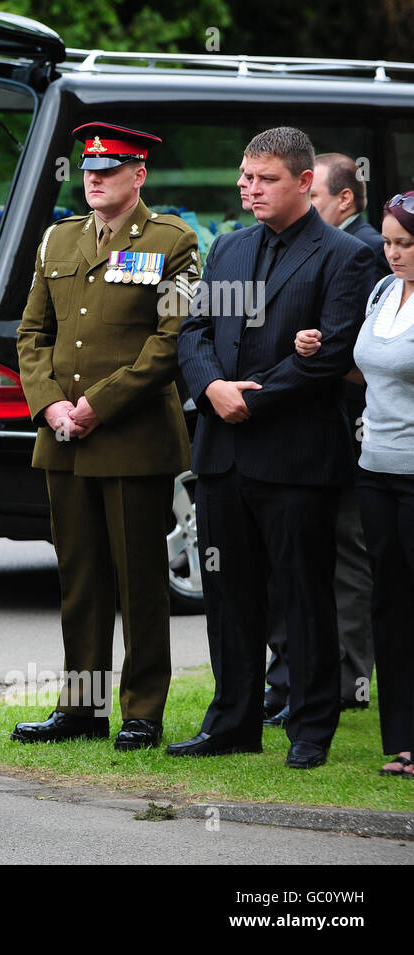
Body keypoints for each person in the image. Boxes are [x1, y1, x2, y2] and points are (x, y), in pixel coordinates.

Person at [174, 126, 375, 769]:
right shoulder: (228, 248)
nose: (248, 187)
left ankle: (311, 729)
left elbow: (334, 355)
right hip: (221, 454)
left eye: (264, 179)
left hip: (295, 460)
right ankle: (231, 721)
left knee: (303, 597)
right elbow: (196, 331)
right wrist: (211, 389)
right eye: (245, 176)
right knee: (227, 593)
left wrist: (249, 398)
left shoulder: (344, 255)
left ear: (304, 183)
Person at [12, 122, 197, 750]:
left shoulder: (171, 240)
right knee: (80, 578)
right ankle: (81, 708)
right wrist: (52, 406)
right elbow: (31, 334)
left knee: (139, 581)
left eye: (110, 169)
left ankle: (143, 709)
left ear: (137, 174)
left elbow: (170, 341)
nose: (94, 178)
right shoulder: (58, 240)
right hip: (64, 435)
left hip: (132, 437)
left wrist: (97, 404)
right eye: (89, 169)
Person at [294, 190, 414, 779]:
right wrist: (319, 348)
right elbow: (367, 367)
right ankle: (404, 742)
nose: (391, 253)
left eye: (405, 244)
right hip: (375, 468)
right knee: (388, 603)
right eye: (388, 241)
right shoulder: (382, 291)